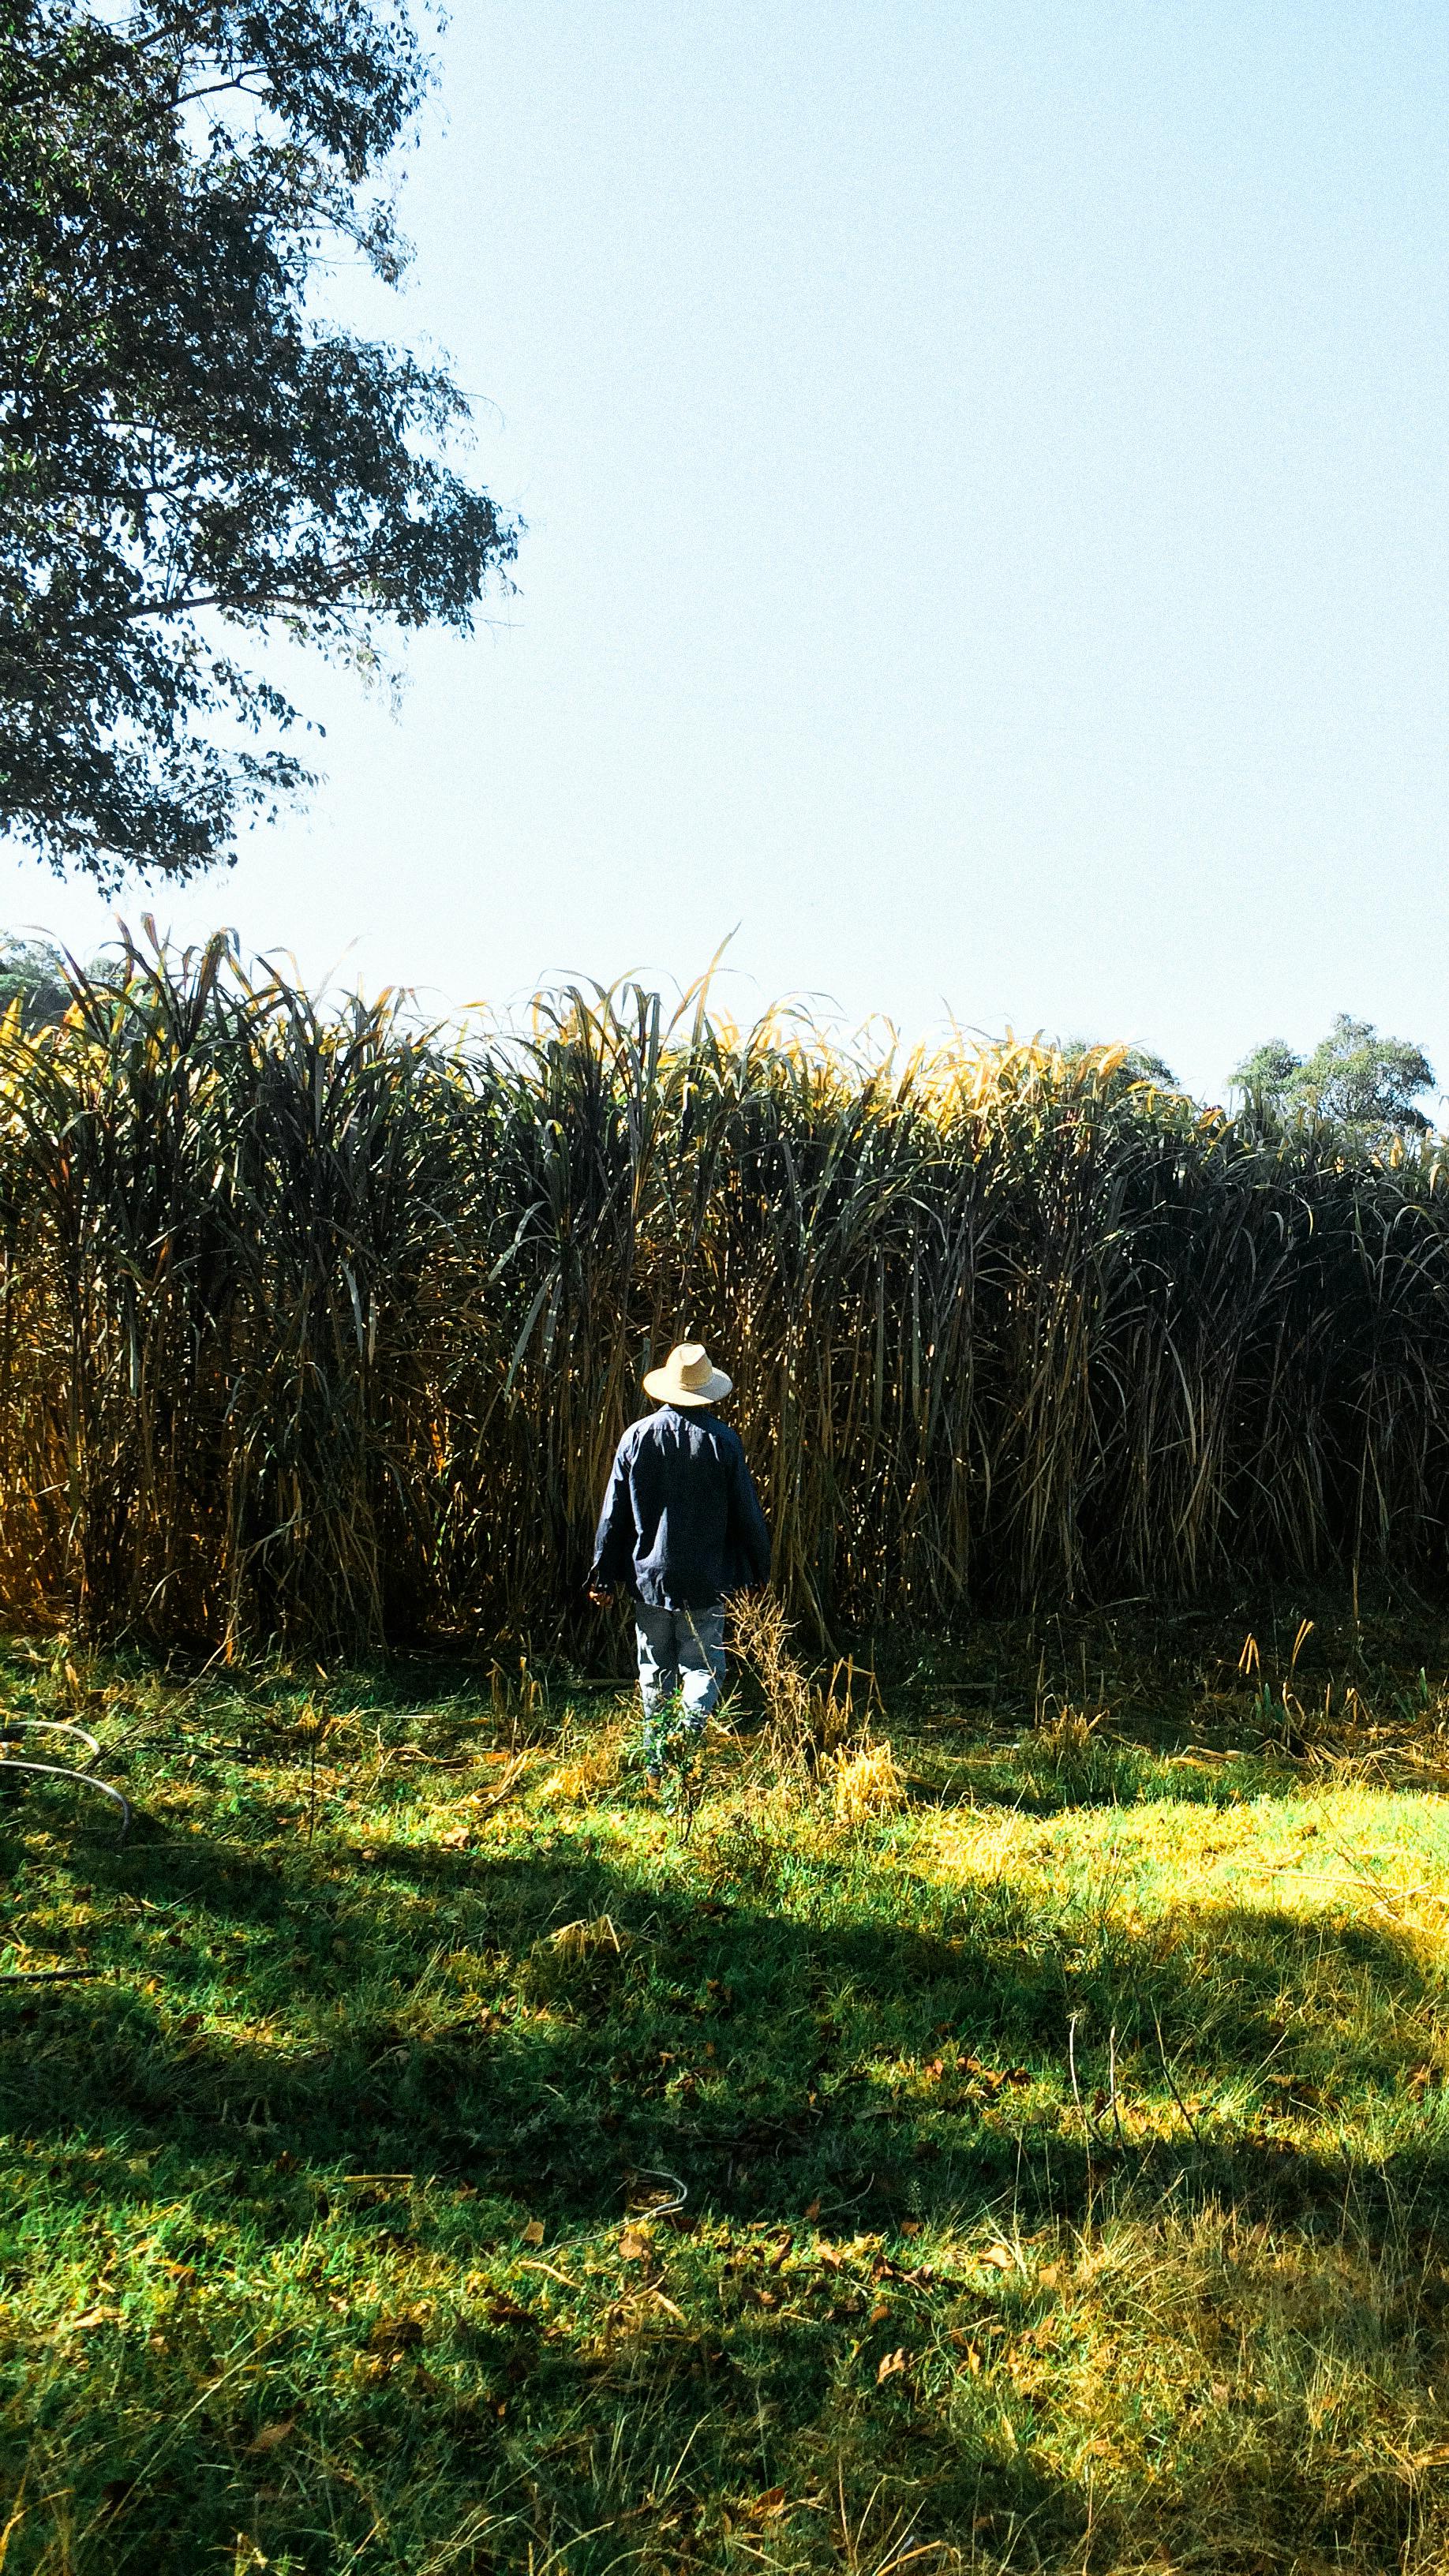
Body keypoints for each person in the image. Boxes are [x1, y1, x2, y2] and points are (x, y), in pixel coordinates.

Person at [589, 1339, 771, 1789]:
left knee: (655, 1672)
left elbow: (614, 1513)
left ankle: (656, 1765)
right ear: (707, 1390)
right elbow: (747, 1512)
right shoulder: (723, 1442)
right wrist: (758, 1570)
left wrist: (603, 1575)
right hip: (708, 1578)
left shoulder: (637, 1436)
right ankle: (683, 1754)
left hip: (650, 1577)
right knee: (704, 1668)